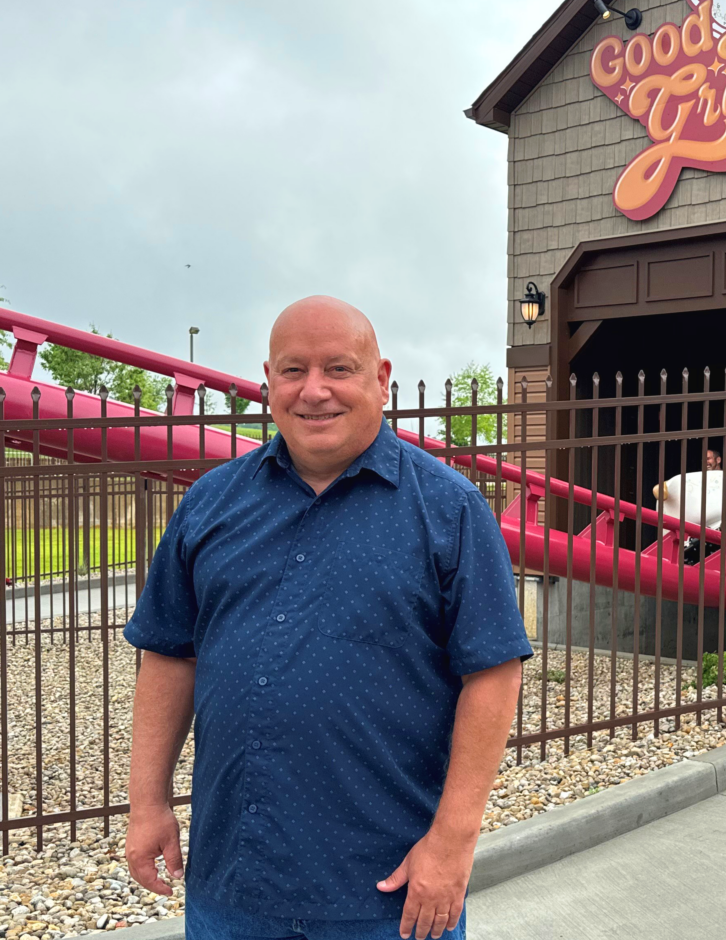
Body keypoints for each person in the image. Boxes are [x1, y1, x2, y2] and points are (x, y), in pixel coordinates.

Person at [123, 296, 533, 940]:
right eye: (293, 371)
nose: (314, 391)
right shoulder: (211, 503)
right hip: (234, 886)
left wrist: (452, 844)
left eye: (338, 368)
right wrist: (147, 803)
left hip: (387, 893)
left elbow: (494, 672)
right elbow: (170, 652)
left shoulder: (449, 510)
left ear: (381, 377)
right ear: (268, 381)